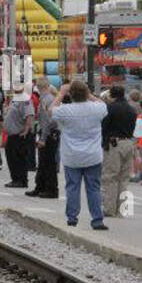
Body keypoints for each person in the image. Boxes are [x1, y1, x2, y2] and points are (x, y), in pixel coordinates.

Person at [51, 80, 108, 230]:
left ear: (71, 95)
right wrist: (89, 95)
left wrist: (61, 93)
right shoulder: (97, 109)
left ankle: (72, 218)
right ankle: (97, 219)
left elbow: (52, 109)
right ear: (86, 93)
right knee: (94, 188)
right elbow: (103, 104)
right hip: (93, 155)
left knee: (72, 187)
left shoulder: (66, 110)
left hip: (72, 156)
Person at [100, 85, 137, 217]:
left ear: (111, 95)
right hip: (128, 142)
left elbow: (104, 126)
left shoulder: (110, 108)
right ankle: (122, 209)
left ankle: (109, 208)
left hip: (115, 143)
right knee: (123, 178)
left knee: (110, 176)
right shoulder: (131, 109)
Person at [28, 77, 59, 199]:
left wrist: (43, 138)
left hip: (49, 134)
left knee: (48, 162)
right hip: (48, 132)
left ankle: (51, 189)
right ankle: (40, 186)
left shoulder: (47, 100)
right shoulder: (46, 98)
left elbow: (47, 121)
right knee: (42, 162)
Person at [2, 90, 35, 189]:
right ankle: (15, 179)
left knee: (19, 159)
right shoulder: (15, 98)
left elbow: (29, 114)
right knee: (11, 157)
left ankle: (21, 180)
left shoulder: (25, 99)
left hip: (19, 134)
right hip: (12, 134)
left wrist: (27, 128)